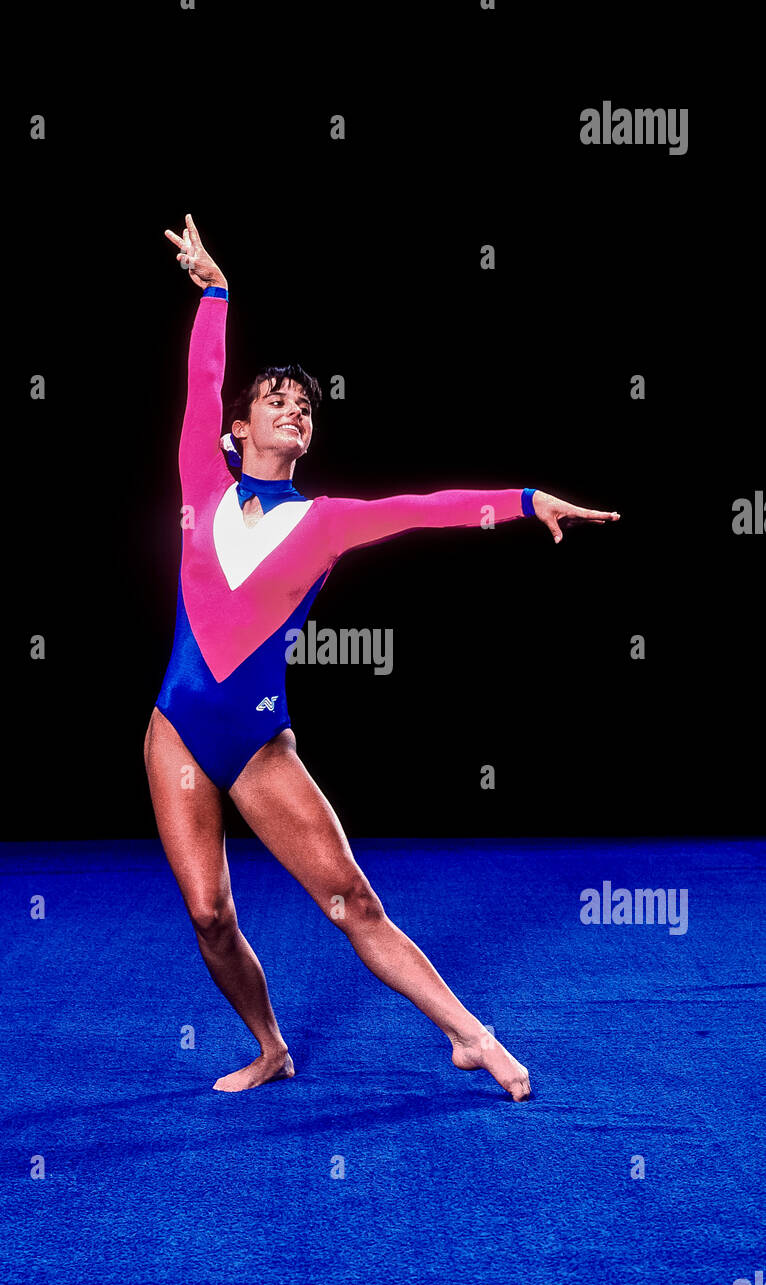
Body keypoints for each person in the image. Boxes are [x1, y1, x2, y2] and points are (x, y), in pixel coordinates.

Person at [144, 214, 620, 1099]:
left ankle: (471, 1036)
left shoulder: (325, 523)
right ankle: (271, 1046)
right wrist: (215, 291)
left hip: (254, 744)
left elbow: (428, 505)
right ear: (240, 426)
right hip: (175, 728)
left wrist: (523, 499)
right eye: (278, 399)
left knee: (352, 903)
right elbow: (198, 383)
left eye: (307, 407)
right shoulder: (200, 485)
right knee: (209, 913)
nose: (294, 410)